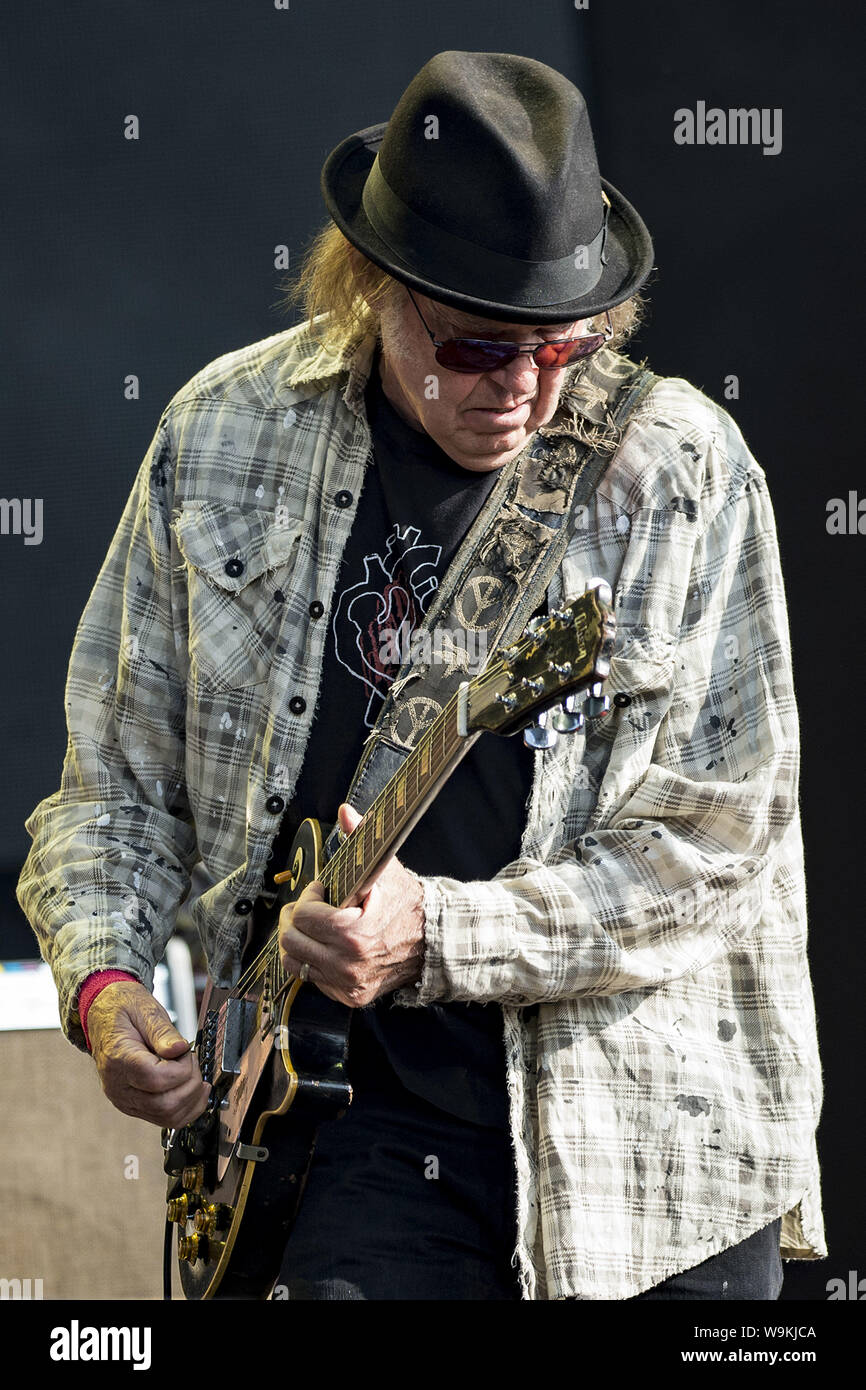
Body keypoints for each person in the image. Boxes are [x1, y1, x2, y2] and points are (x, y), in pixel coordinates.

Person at [16, 50, 826, 1301]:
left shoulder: (679, 473)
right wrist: (109, 987)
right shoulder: (221, 434)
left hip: (647, 1144)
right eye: (472, 347)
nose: (517, 391)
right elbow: (111, 791)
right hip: (350, 1133)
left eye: (559, 351)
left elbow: (717, 843)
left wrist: (439, 932)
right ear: (371, 290)